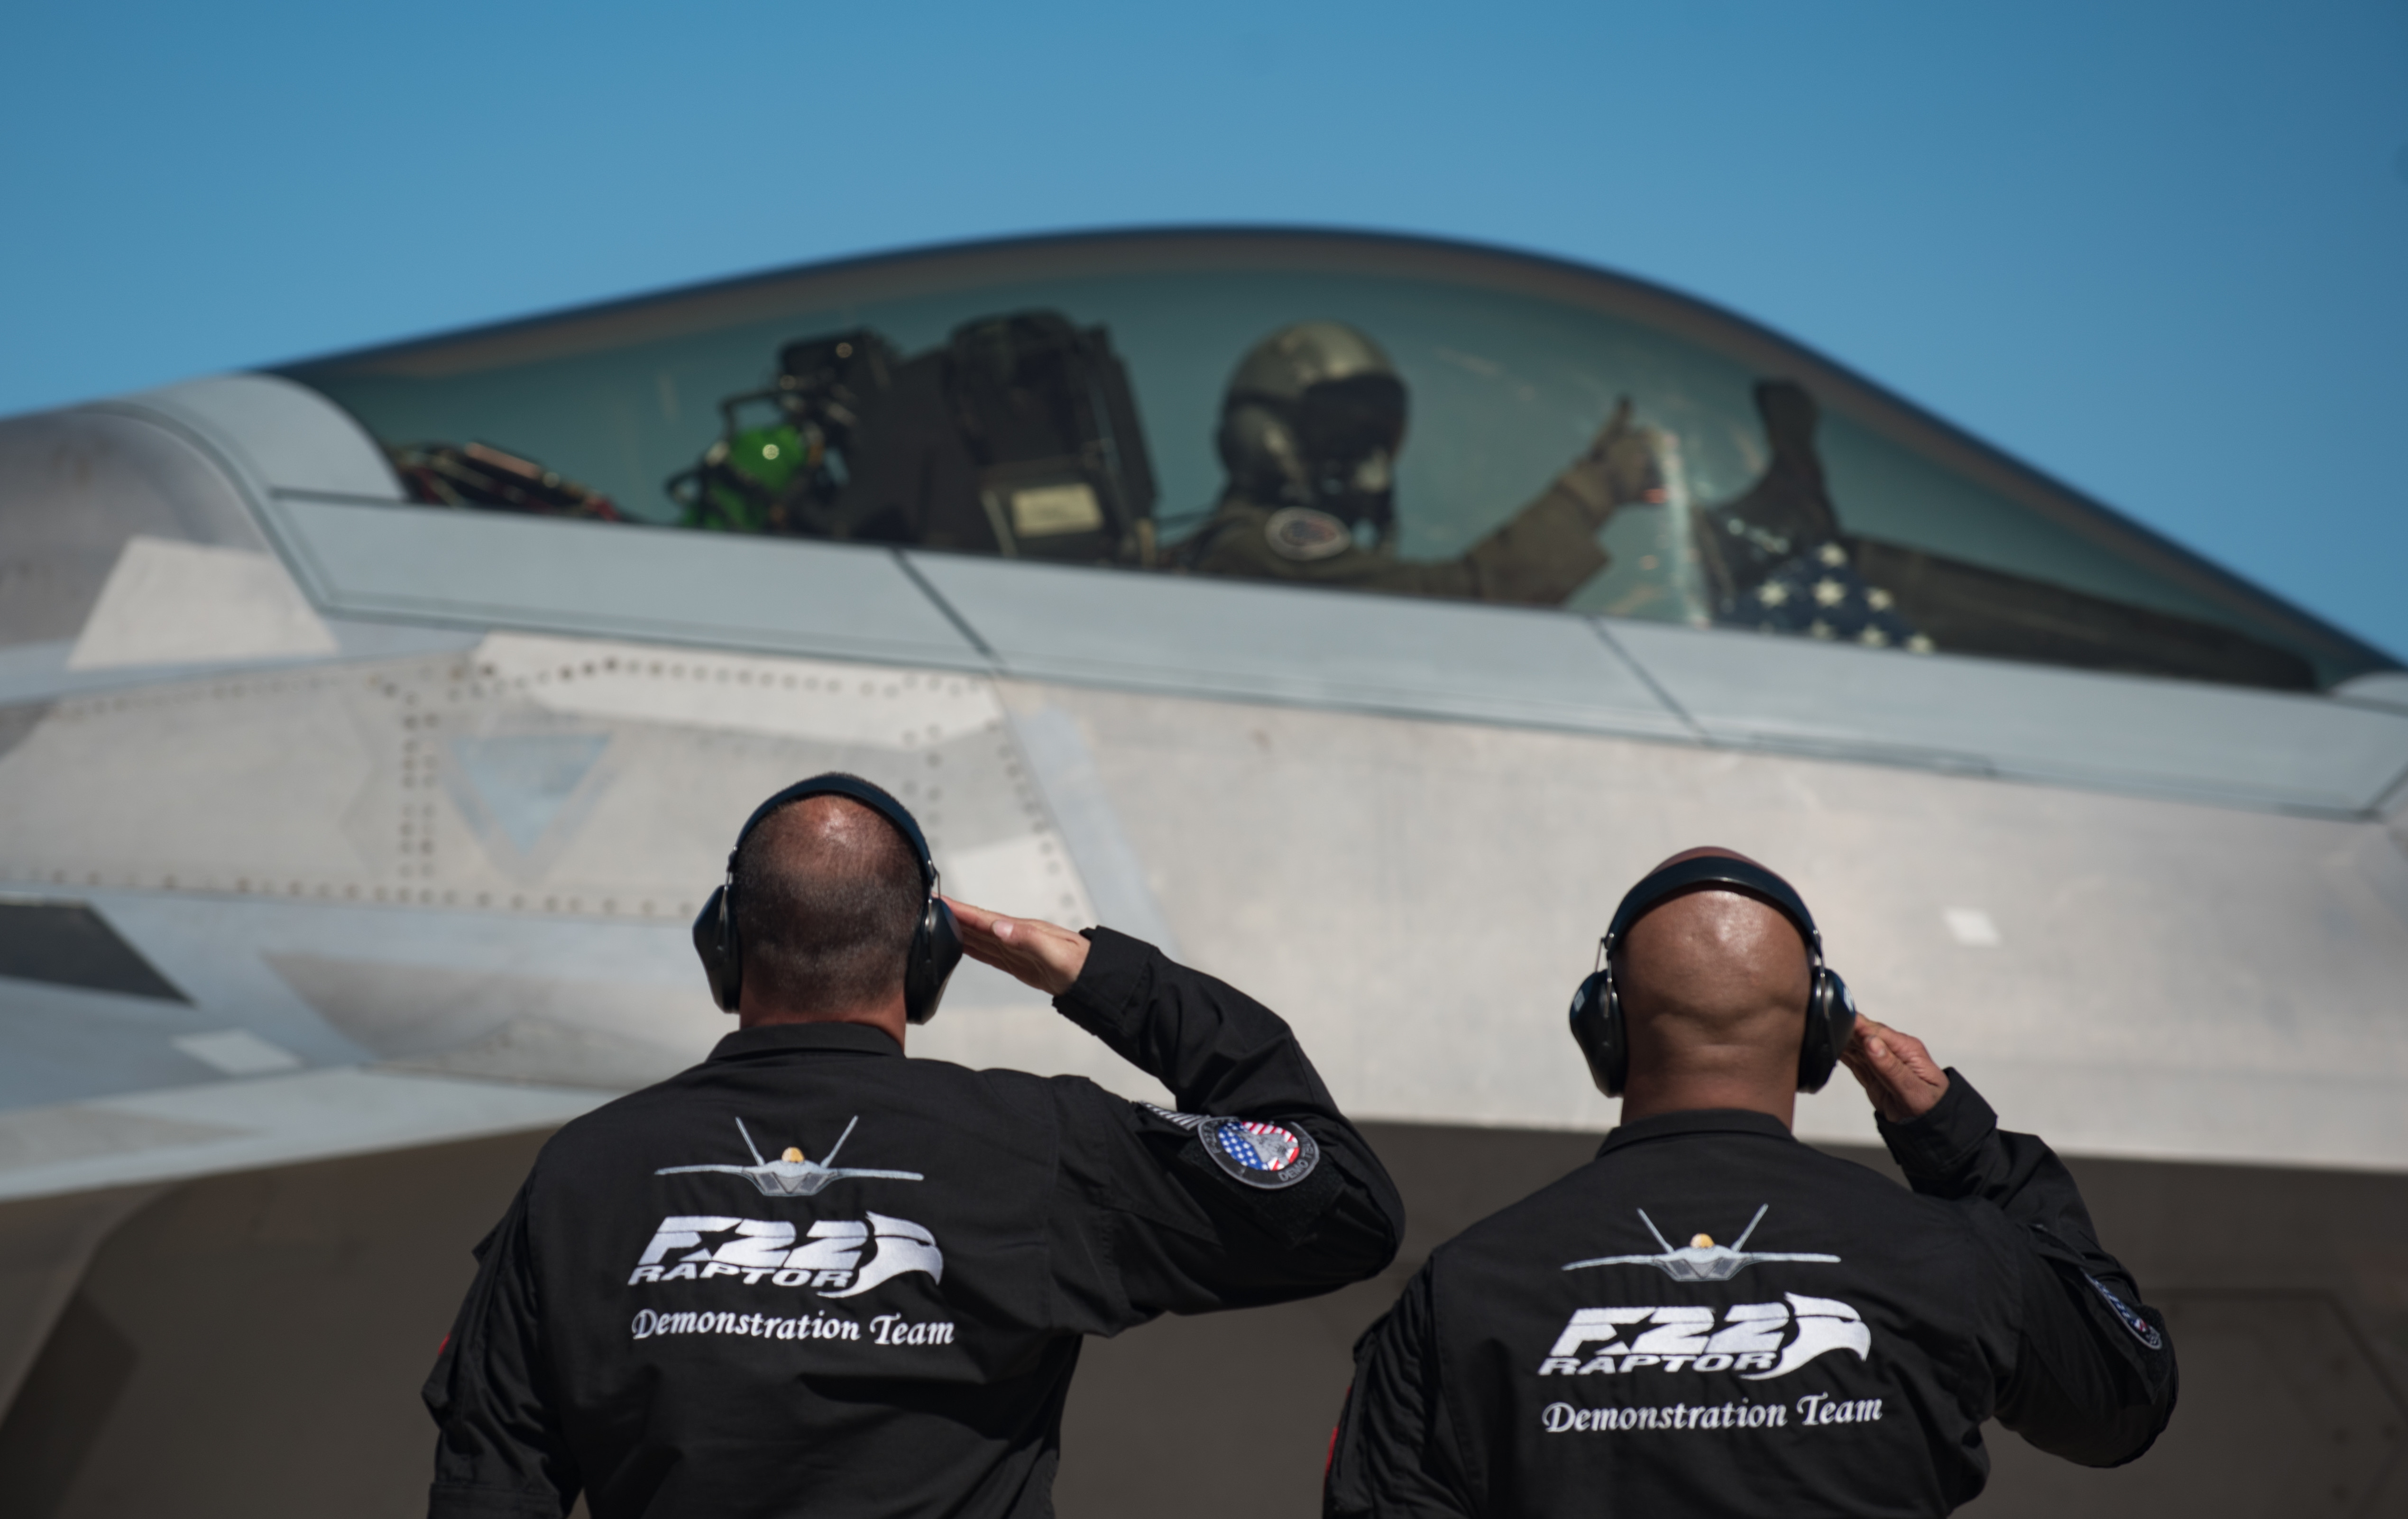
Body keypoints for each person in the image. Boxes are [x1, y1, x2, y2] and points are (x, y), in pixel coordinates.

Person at [423, 773, 1404, 1519]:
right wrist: (1098, 976)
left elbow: (491, 1474)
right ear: (928, 957)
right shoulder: (1040, 1145)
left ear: (722, 945)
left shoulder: (586, 1170)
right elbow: (1343, 1201)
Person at [1324, 848, 2176, 1518]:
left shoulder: (1463, 1288)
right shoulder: (1957, 1258)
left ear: (1603, 1029)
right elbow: (2124, 1394)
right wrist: (1960, 1145)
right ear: (1819, 1032)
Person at [1173, 321, 1667, 602]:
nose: (1366, 459)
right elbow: (1463, 605)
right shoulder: (1267, 546)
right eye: (1342, 433)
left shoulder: (1268, 562)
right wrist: (1592, 489)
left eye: (1377, 436)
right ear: (1266, 436)